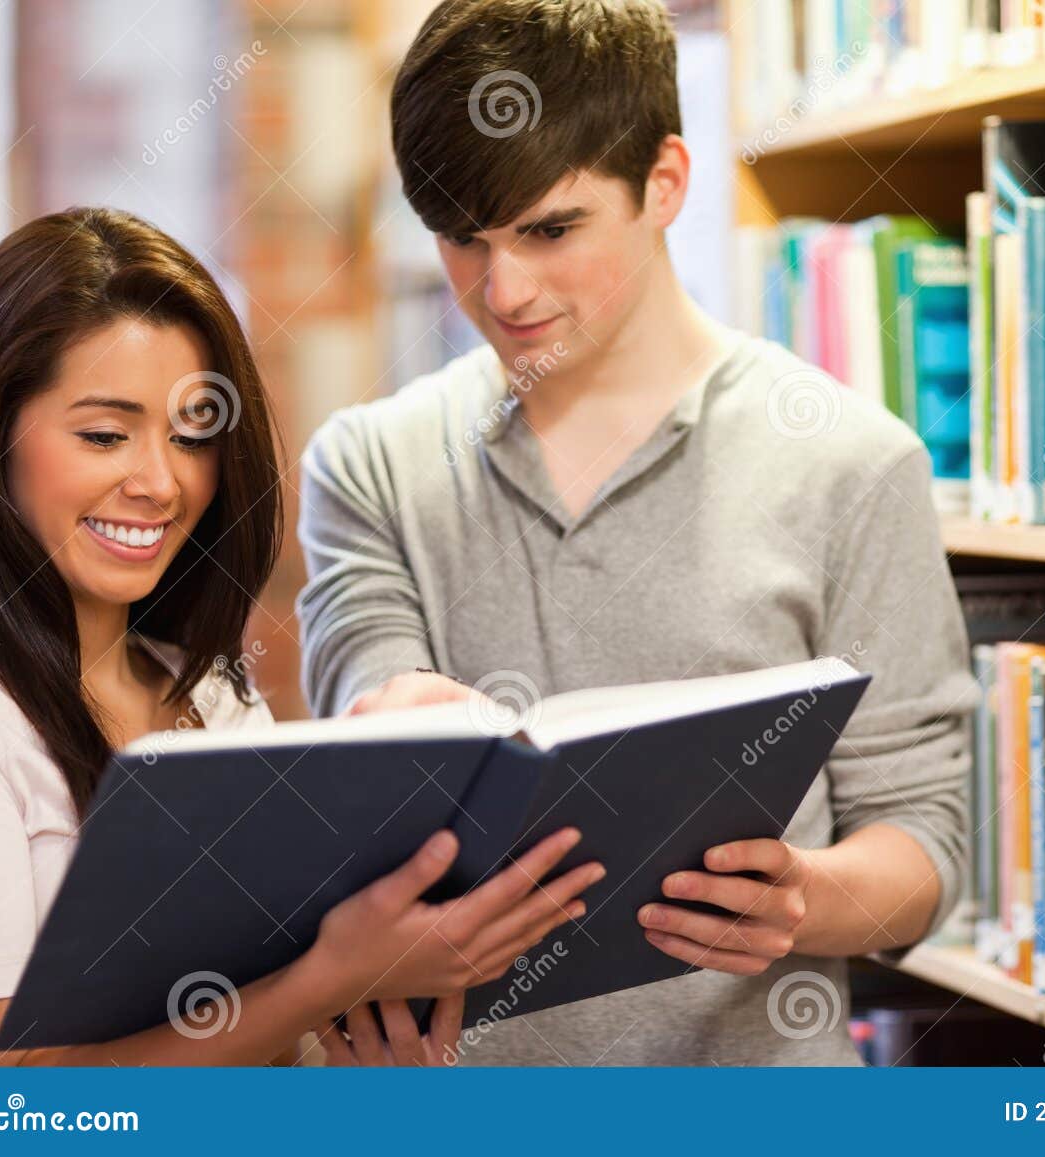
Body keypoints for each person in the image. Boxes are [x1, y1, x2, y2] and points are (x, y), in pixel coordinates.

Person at [296, 0, 979, 1066]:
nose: (503, 288)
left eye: (550, 229)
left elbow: (924, 841)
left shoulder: (851, 461)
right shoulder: (368, 462)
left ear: (665, 179)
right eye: (463, 239)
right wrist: (391, 711)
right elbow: (366, 705)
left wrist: (808, 898)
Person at [0, 207, 600, 1067]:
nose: (160, 482)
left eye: (192, 434)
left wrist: (369, 1046)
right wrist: (329, 978)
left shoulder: (210, 693)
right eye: (104, 435)